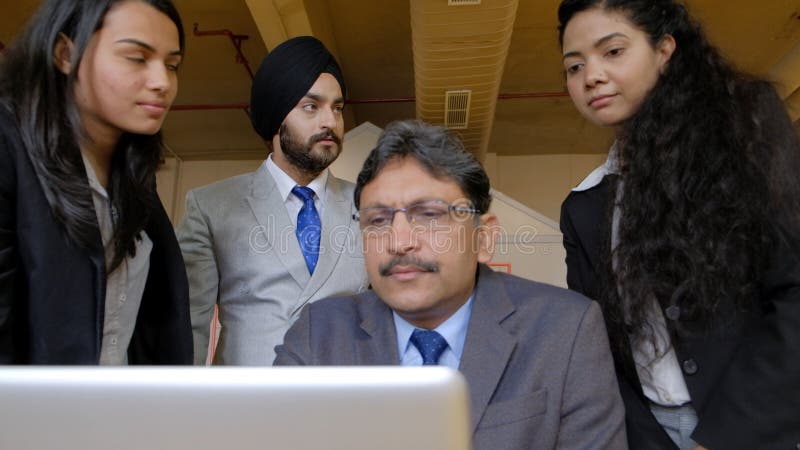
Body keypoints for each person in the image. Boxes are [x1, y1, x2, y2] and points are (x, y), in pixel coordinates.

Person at [275, 120, 626, 449]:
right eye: (378, 219)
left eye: (428, 215)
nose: (399, 242)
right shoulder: (317, 336)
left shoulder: (565, 332)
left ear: (484, 238)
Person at [558, 1, 800, 449]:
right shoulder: (583, 206)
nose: (590, 76)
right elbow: (599, 348)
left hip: (754, 422)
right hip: (649, 433)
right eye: (574, 66)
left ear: (664, 49)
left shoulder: (745, 132)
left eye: (612, 52)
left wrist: (723, 437)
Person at [0, 0, 192, 364]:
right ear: (65, 54)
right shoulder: (9, 148)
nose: (162, 82)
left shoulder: (136, 181)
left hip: (118, 414)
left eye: (172, 65)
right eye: (136, 58)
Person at [177, 36, 368, 365]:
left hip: (342, 407)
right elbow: (189, 326)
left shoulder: (369, 206)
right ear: (277, 116)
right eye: (311, 106)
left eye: (337, 108)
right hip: (244, 408)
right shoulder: (212, 207)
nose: (330, 122)